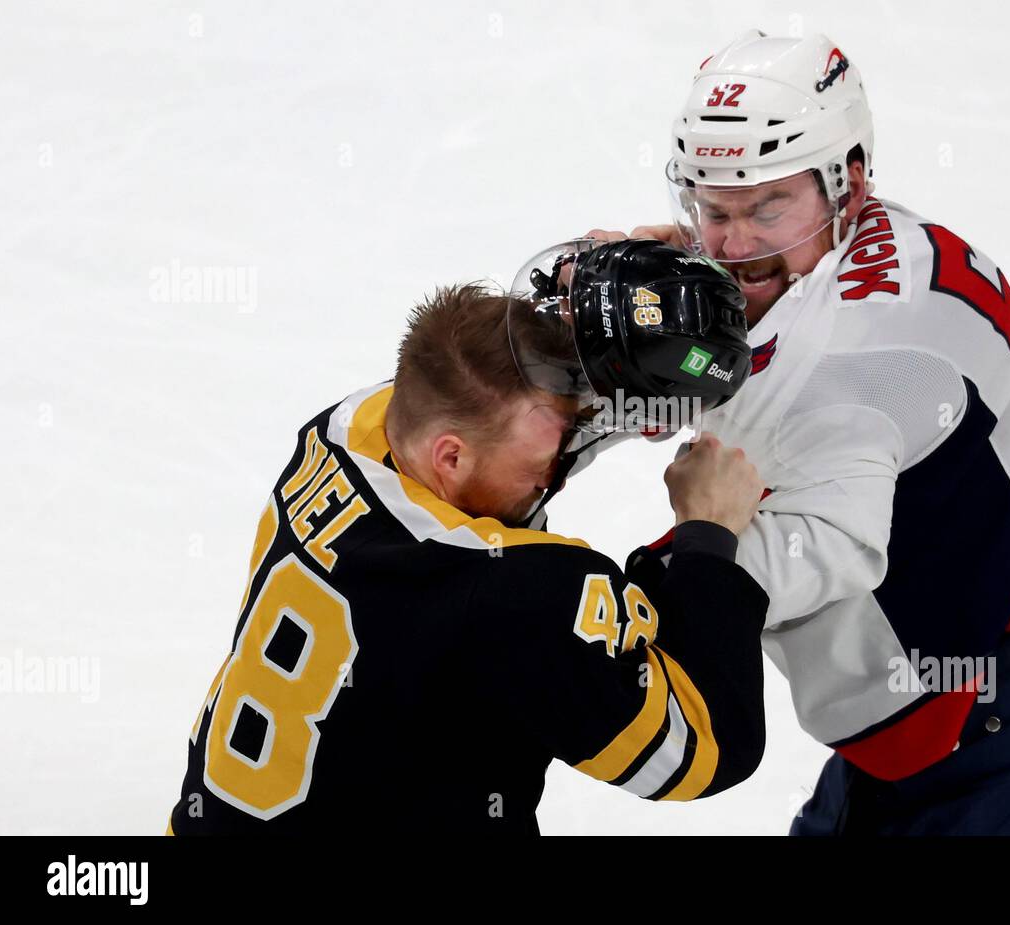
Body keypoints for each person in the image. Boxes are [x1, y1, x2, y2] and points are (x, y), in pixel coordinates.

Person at [588, 31, 1010, 834]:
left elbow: (833, 538)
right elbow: (766, 377)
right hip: (957, 720)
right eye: (713, 210)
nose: (731, 246)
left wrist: (661, 575)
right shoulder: (862, 254)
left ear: (849, 181)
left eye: (767, 206)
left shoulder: (860, 352)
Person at [169, 241, 769, 834]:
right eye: (544, 463)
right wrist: (708, 536)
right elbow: (707, 747)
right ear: (450, 458)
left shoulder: (349, 431)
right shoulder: (513, 594)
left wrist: (605, 302)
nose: (556, 469)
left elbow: (491, 375)